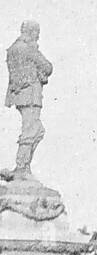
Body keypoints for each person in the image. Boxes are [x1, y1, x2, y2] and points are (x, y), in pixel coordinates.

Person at [3, 20, 53, 181]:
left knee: (34, 129)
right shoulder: (28, 49)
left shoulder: (13, 48)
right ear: (32, 33)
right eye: (36, 34)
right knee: (33, 129)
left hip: (19, 94)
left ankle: (23, 166)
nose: (37, 38)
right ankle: (22, 167)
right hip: (30, 94)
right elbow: (47, 67)